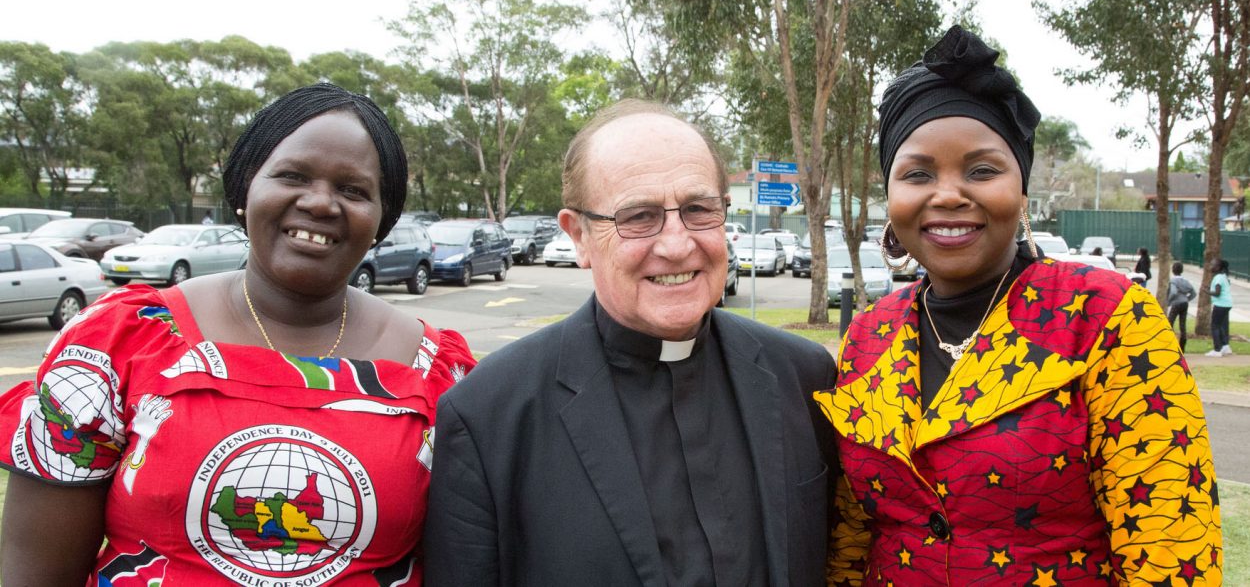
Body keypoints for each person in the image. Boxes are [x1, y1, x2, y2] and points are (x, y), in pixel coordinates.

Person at [0, 83, 476, 585]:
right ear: (245, 190)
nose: (319, 203)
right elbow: (37, 569)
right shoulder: (116, 341)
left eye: (353, 190)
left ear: (382, 219)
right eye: (292, 176)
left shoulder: (438, 371)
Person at [820, 26, 1222, 585]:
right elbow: (850, 539)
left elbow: (1170, 554)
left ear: (1022, 190)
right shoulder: (867, 337)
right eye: (917, 174)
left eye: (983, 170)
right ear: (891, 197)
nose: (949, 194)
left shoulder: (1105, 316)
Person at [423, 100, 836, 586]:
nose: (678, 244)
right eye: (639, 217)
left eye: (699, 209)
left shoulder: (804, 376)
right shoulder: (489, 415)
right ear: (578, 236)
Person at [1168, 261, 1197, 352]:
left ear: (1173, 270)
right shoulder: (1185, 281)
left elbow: (1173, 292)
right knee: (1182, 325)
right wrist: (1186, 299)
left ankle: (1170, 344)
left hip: (1176, 303)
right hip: (1184, 303)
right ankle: (1182, 347)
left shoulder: (1173, 281)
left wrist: (1169, 301)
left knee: (1169, 323)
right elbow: (1194, 293)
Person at [1207, 258, 1233, 357]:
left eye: (1212, 265)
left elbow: (1217, 293)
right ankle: (1225, 347)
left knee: (1215, 326)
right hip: (1227, 303)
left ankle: (1217, 350)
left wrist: (1207, 291)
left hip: (1221, 304)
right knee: (1220, 325)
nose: (1210, 266)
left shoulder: (1218, 277)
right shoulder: (1224, 276)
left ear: (1217, 267)